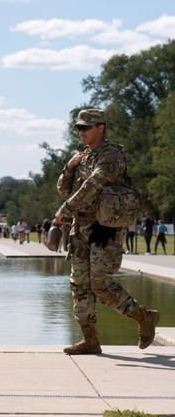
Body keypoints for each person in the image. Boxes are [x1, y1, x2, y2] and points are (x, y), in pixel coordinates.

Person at [55, 109, 159, 354]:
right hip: (80, 228)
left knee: (100, 284)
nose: (81, 132)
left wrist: (66, 208)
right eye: (79, 128)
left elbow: (93, 184)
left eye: (85, 128)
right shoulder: (83, 156)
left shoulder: (111, 155)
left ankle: (144, 317)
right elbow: (63, 189)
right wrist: (69, 167)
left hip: (105, 227)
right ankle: (90, 340)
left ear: (100, 127)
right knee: (79, 284)